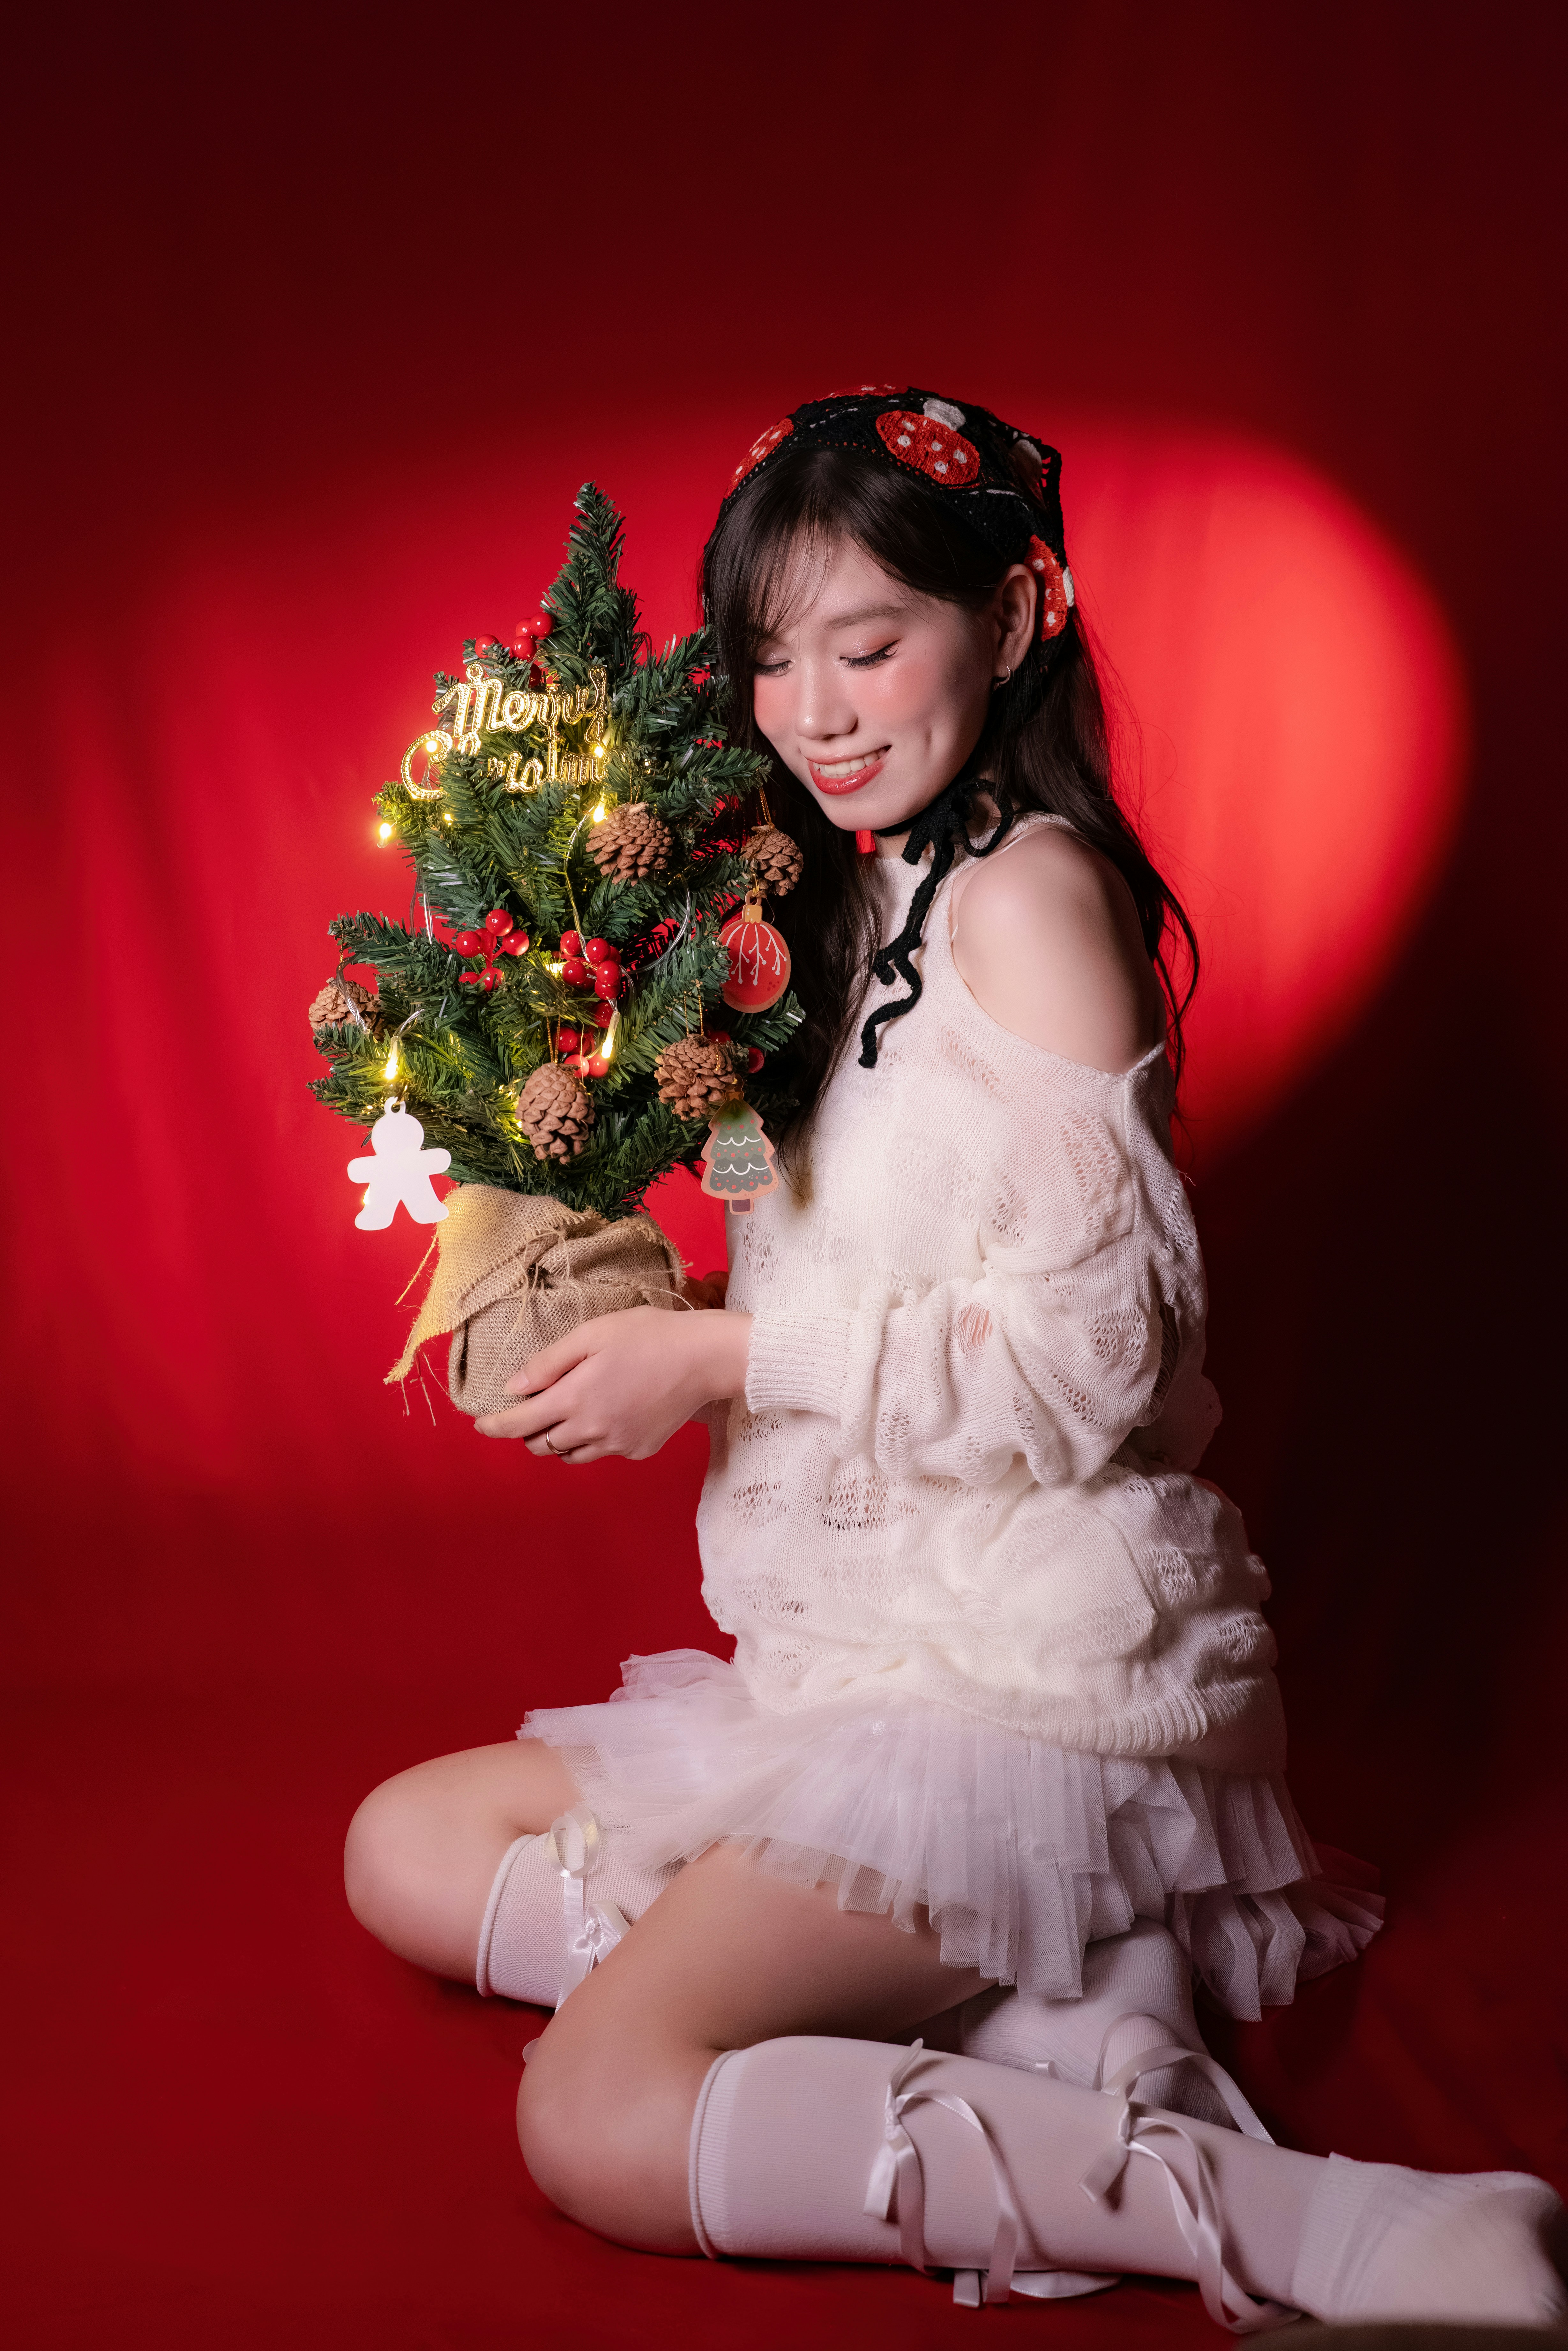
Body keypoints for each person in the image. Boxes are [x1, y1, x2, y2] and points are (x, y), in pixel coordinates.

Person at [343, 389, 1564, 2326]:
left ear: (1010, 619)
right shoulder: (843, 898)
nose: (815, 709)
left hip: (1023, 1694)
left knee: (588, 2112)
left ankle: (1331, 2221)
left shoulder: (1035, 900)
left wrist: (726, 1350)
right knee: (398, 1848)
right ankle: (1022, 1998)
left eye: (869, 642)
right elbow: (828, 1206)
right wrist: (595, 1222)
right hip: (850, 1658)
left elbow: (1098, 1360)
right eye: (769, 659)